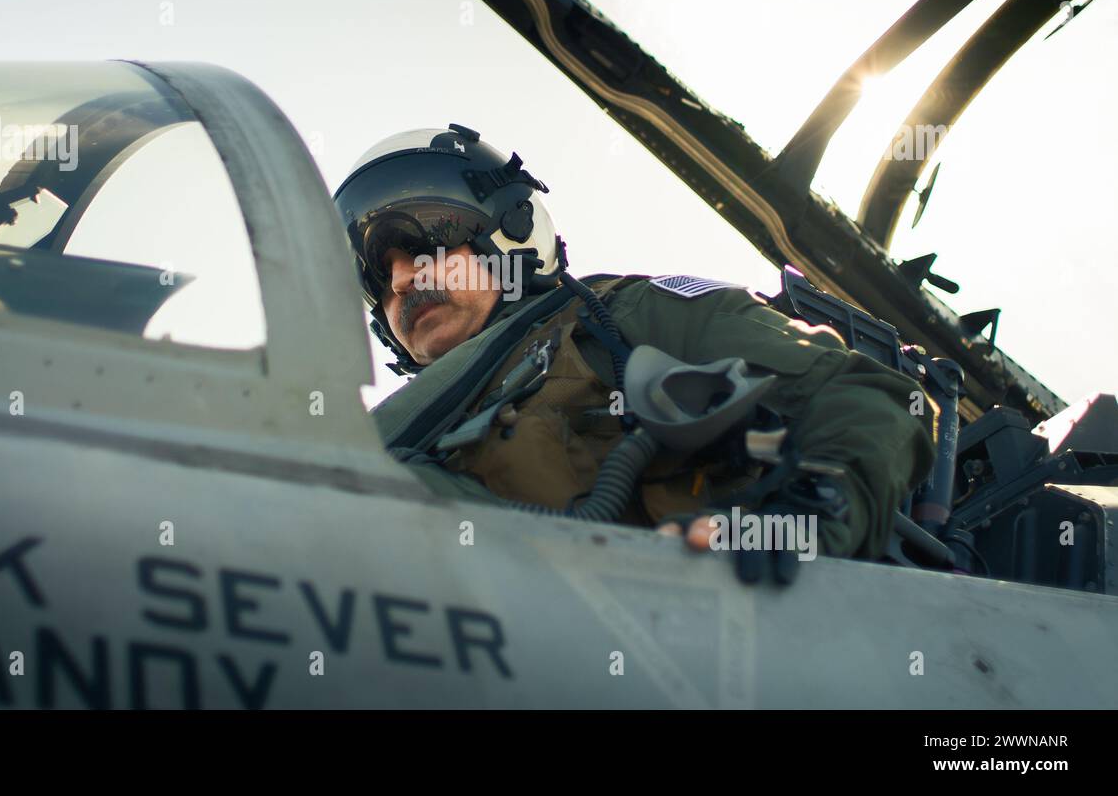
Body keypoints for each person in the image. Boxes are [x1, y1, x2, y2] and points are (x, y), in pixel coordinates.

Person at [333, 124, 936, 582]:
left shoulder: (616, 317)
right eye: (378, 277)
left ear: (510, 229)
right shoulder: (380, 437)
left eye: (426, 244)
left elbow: (873, 401)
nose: (404, 282)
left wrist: (807, 515)